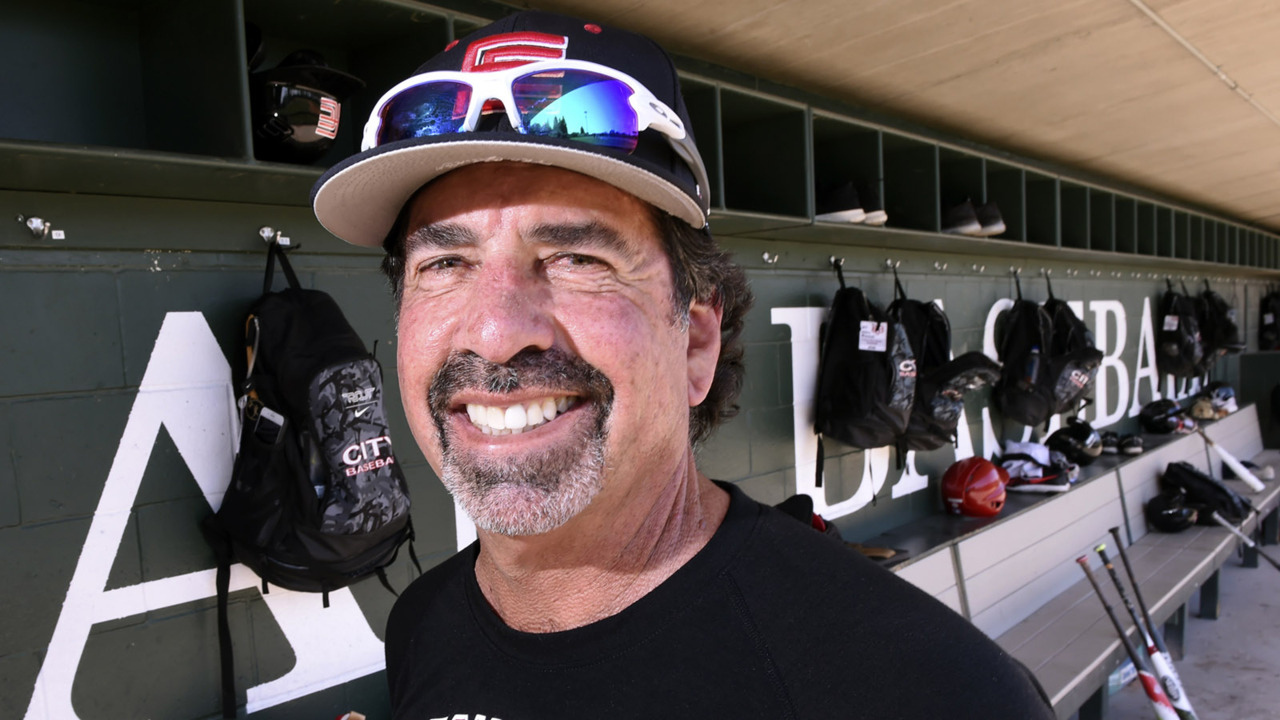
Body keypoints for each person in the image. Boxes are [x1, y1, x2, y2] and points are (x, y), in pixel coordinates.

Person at [311, 10, 1055, 719]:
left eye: (576, 258)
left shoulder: (925, 692)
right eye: (444, 262)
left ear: (696, 341)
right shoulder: (423, 623)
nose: (497, 332)